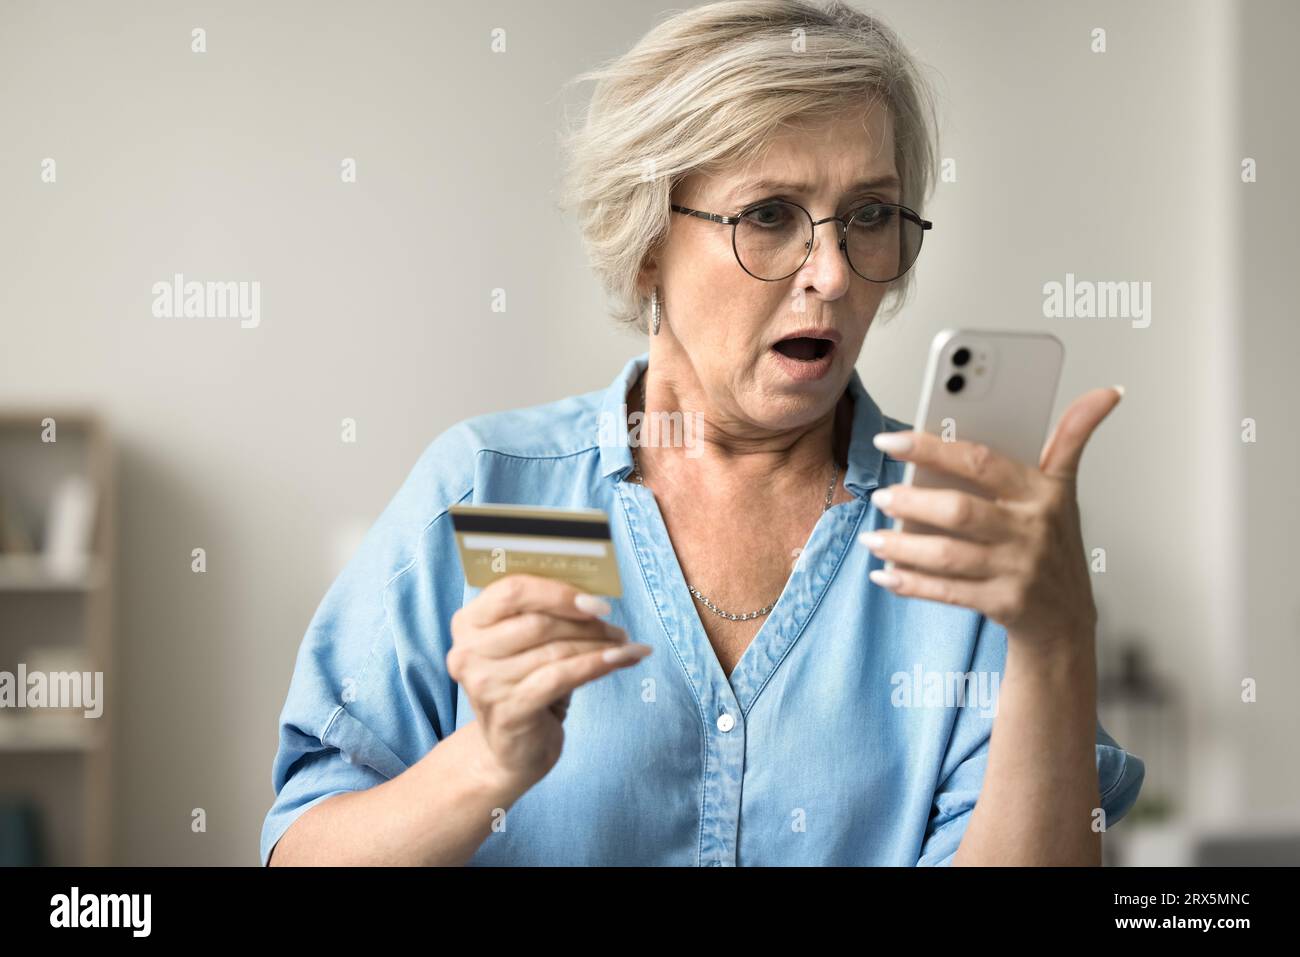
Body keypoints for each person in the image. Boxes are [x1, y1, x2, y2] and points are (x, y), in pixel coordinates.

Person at [262, 0, 1143, 866]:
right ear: (649, 242)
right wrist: (482, 765)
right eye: (769, 214)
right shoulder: (496, 494)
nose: (833, 274)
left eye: (870, 214)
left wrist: (1056, 639)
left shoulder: (965, 537)